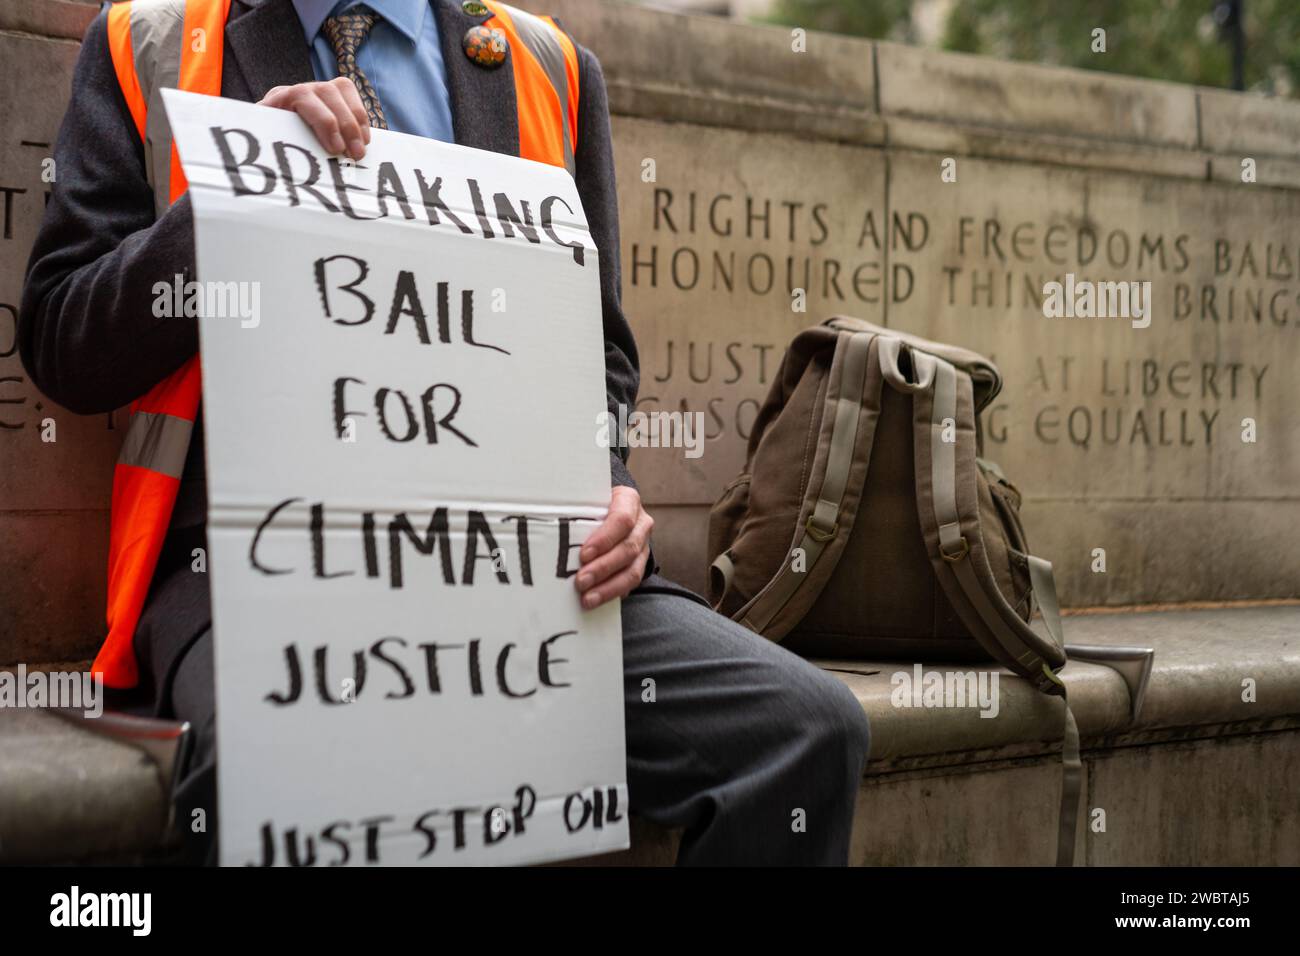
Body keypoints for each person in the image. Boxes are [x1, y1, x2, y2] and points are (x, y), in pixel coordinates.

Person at [20, 0, 870, 865]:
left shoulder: (550, 65)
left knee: (804, 730)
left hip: (529, 567)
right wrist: (225, 206)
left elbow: (599, 353)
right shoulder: (149, 40)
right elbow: (61, 341)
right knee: (275, 772)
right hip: (255, 569)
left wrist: (611, 485)